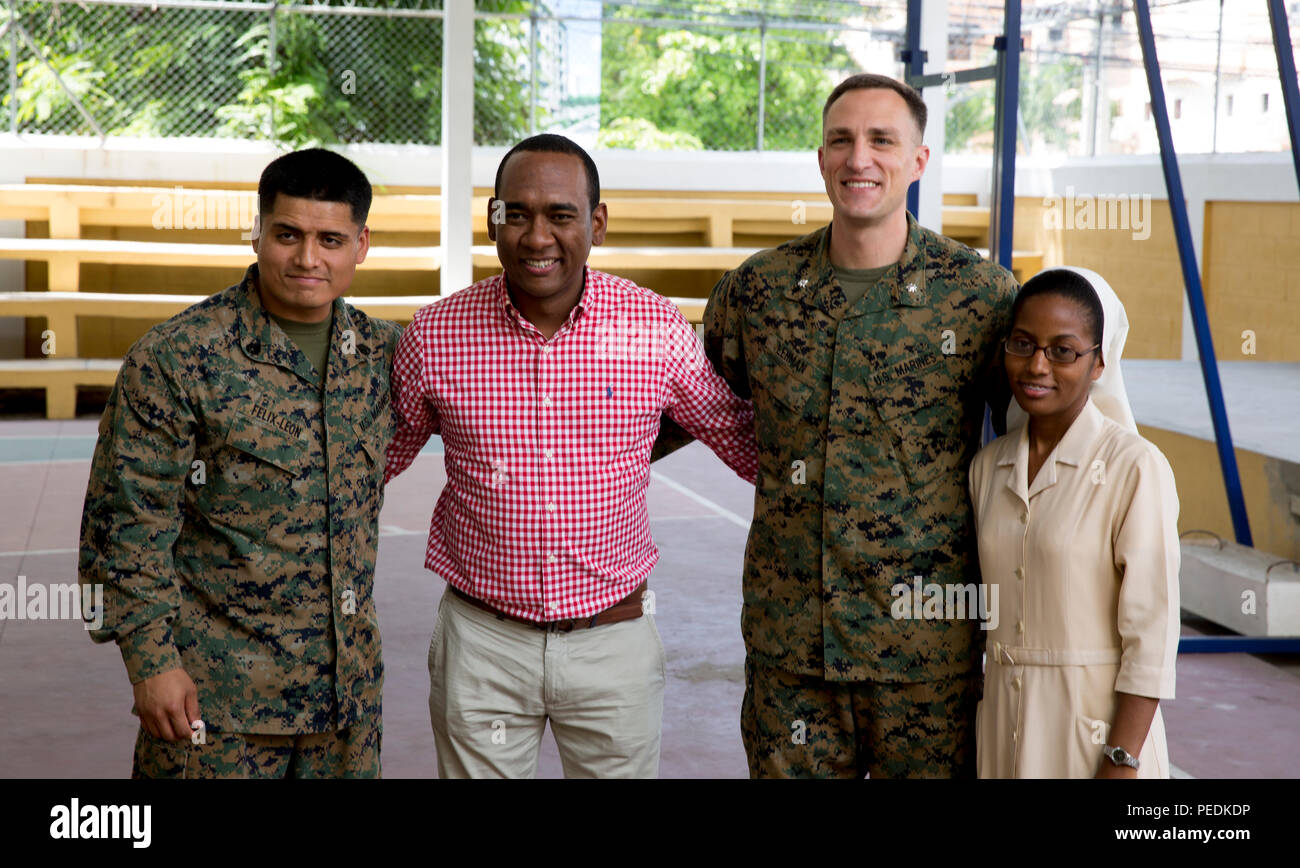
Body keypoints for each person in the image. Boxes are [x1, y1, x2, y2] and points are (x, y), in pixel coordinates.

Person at [384, 133, 758, 779]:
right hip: (482, 644)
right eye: (517, 213)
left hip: (613, 645)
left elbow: (746, 444)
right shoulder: (435, 334)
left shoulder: (655, 328)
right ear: (493, 218)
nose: (537, 237)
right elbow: (372, 464)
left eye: (560, 215)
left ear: (597, 223)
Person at [700, 73, 1019, 778]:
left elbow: (1036, 442)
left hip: (926, 659)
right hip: (794, 657)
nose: (859, 159)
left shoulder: (980, 297)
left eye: (882, 140)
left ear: (918, 161)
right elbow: (681, 405)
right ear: (820, 158)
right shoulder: (757, 291)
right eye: (841, 140)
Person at [79, 149, 400, 778]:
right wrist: (150, 663)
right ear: (257, 232)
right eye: (288, 235)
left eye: (330, 239)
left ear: (361, 245)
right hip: (215, 705)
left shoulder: (382, 355)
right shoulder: (177, 358)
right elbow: (123, 528)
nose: (308, 259)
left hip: (346, 708)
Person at [970, 267, 1179, 778]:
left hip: (1096, 733)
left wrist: (1121, 759)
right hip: (1002, 725)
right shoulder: (987, 468)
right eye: (1023, 344)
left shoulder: (1134, 467)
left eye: (1063, 350)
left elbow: (1151, 634)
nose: (1037, 365)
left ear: (1100, 362)